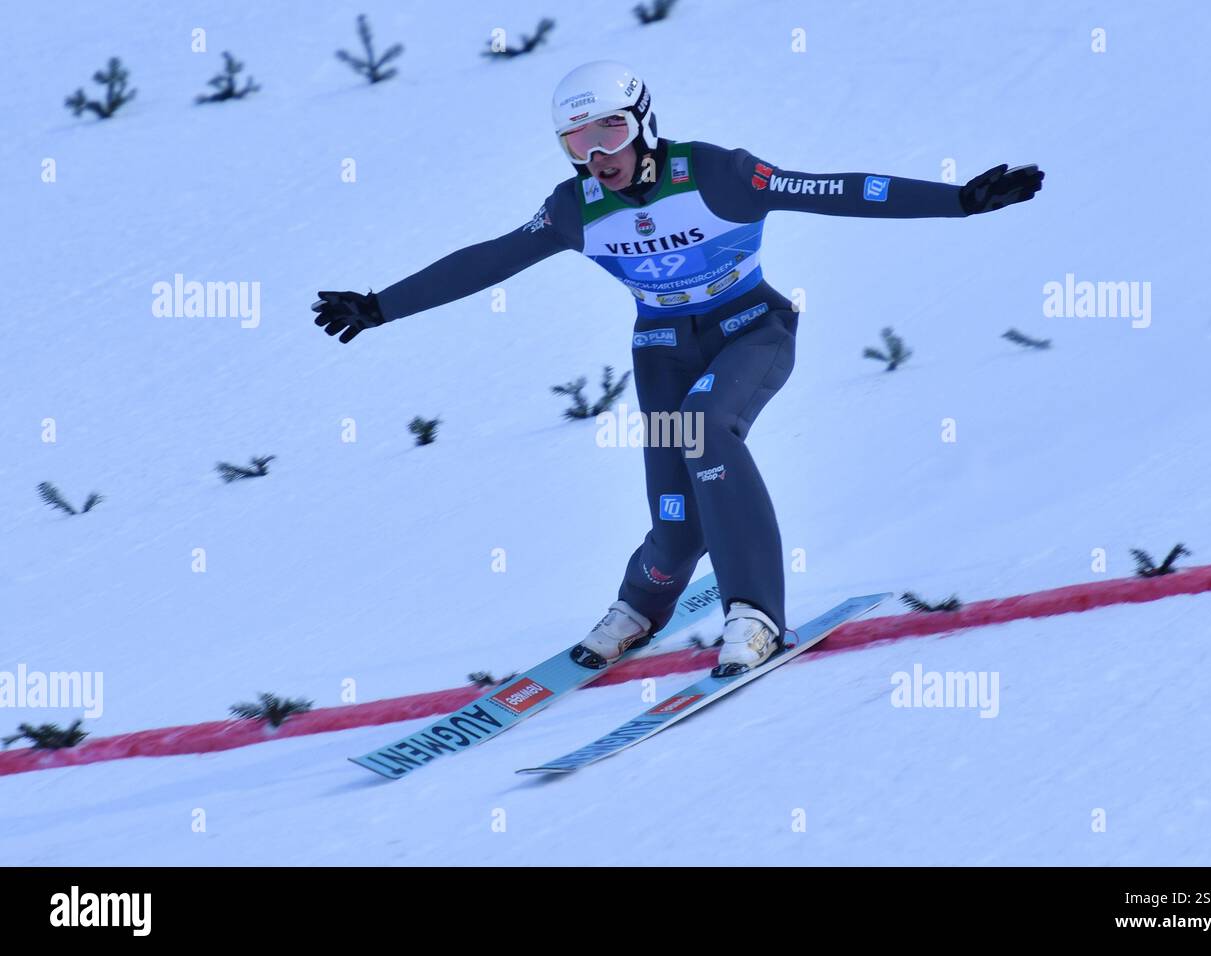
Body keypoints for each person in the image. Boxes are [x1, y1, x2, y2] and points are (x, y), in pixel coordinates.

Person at [313, 60, 1044, 675]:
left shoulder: (718, 174)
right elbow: (490, 259)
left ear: (643, 123)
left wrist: (957, 202)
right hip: (663, 350)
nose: (598, 154)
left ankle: (754, 614)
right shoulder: (576, 209)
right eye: (578, 140)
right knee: (675, 522)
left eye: (610, 131)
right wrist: (382, 306)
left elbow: (835, 189)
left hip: (751, 330)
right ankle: (640, 606)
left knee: (705, 427)